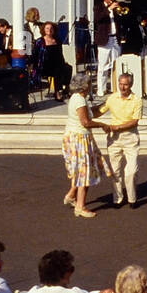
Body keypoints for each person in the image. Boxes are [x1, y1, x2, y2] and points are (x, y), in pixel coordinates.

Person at [61, 73, 112, 219]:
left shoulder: (78, 98)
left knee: (81, 170)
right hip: (79, 139)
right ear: (84, 86)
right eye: (89, 84)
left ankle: (71, 195)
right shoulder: (80, 100)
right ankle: (80, 207)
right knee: (85, 172)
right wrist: (103, 125)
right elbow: (86, 122)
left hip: (77, 136)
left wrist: (107, 104)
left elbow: (92, 113)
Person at [101, 72, 143, 208]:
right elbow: (99, 110)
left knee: (131, 171)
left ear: (130, 85)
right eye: (120, 84)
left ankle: (132, 198)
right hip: (114, 139)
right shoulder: (112, 98)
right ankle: (117, 198)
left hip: (130, 137)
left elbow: (134, 122)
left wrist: (117, 127)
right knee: (115, 170)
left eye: (125, 84)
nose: (122, 87)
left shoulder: (137, 100)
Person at [93, 0, 124, 98]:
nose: (111, 0)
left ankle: (115, 88)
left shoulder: (115, 8)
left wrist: (118, 12)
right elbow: (97, 19)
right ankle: (101, 89)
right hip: (104, 40)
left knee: (115, 64)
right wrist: (109, 9)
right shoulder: (99, 7)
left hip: (115, 38)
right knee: (103, 65)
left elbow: (120, 21)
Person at [36, 21, 72, 100]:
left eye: (51, 28)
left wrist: (63, 62)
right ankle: (57, 92)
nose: (49, 30)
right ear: (44, 30)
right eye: (47, 28)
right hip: (45, 66)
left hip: (57, 64)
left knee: (68, 67)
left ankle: (66, 87)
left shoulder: (57, 40)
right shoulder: (39, 41)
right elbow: (36, 56)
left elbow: (60, 54)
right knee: (58, 70)